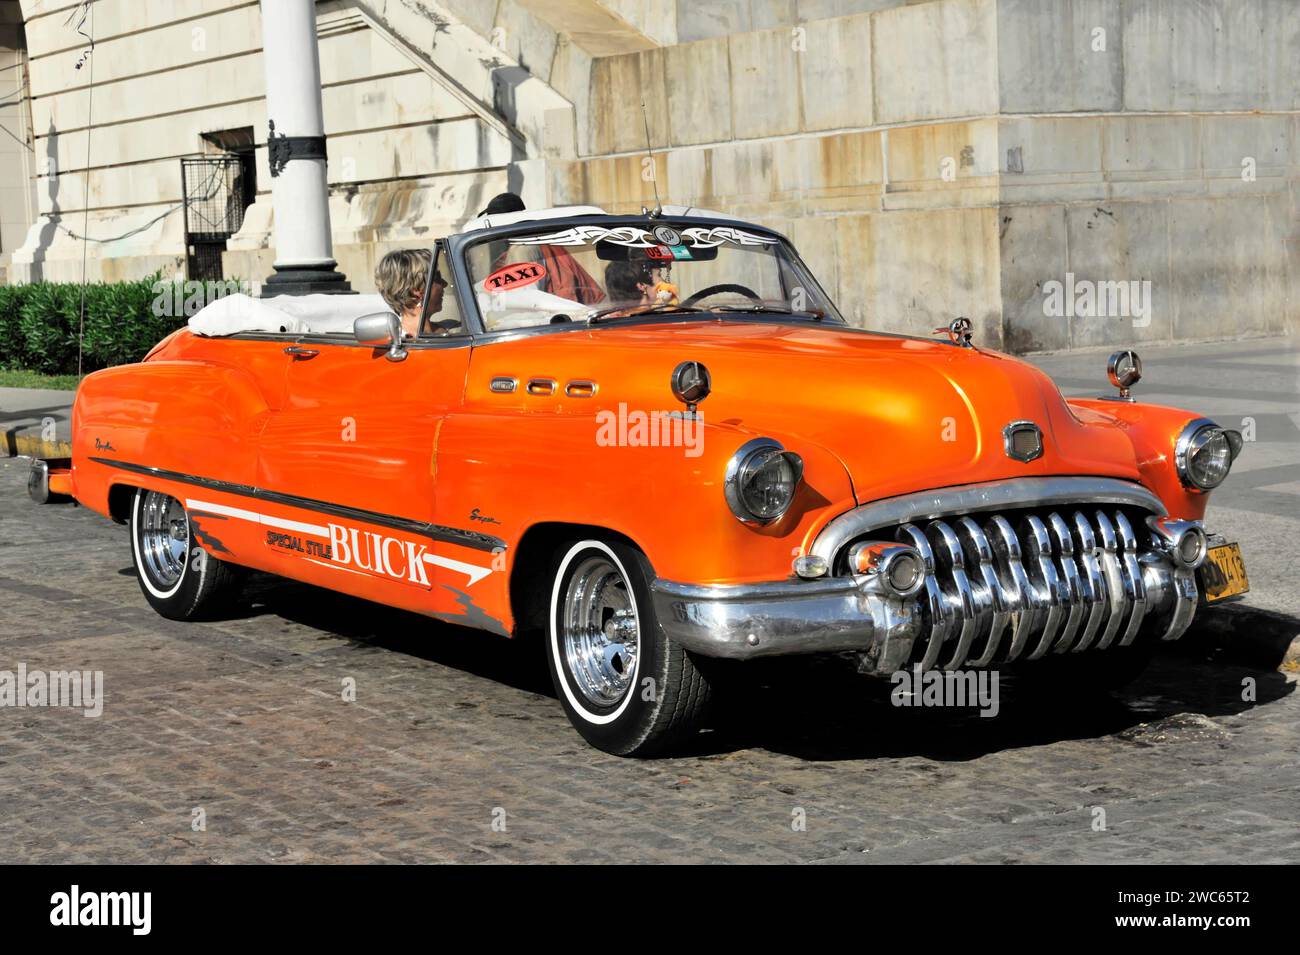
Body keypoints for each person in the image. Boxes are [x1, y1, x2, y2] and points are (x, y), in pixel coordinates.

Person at [374, 248, 445, 339]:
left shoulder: (453, 328)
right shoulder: (397, 344)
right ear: (416, 291)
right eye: (437, 278)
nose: (445, 284)